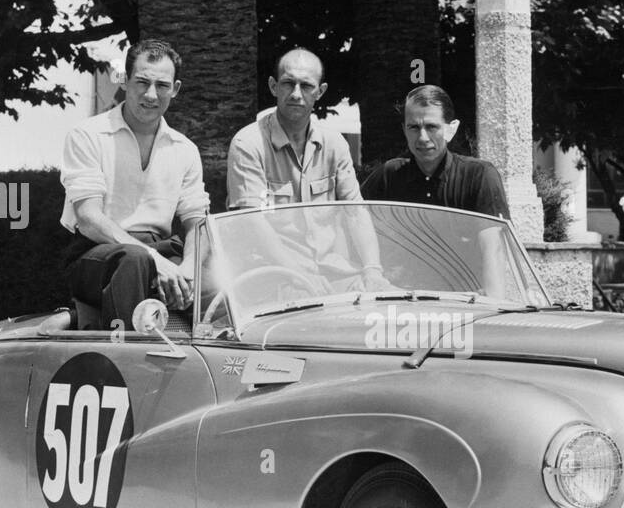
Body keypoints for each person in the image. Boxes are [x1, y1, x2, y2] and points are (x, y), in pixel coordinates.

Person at [59, 38, 208, 329]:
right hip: (98, 253)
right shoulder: (87, 135)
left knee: (219, 279)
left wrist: (189, 270)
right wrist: (155, 261)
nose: (151, 95)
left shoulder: (185, 148)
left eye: (162, 86)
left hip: (160, 249)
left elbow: (197, 224)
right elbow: (88, 219)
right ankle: (128, 359)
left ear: (175, 89)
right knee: (134, 261)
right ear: (125, 81)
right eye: (142, 82)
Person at [226, 47, 386, 291]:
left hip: (333, 272)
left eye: (307, 86)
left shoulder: (334, 144)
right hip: (271, 277)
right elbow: (254, 223)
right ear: (273, 87)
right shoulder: (248, 143)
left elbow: (355, 212)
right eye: (288, 83)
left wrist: (373, 271)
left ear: (320, 92)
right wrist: (301, 277)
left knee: (392, 306)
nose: (296, 94)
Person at [359, 84, 510, 219]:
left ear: (451, 129)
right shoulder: (388, 176)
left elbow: (495, 246)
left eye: (431, 127)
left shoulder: (479, 176)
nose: (423, 138)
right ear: (404, 130)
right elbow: (353, 219)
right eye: (414, 127)